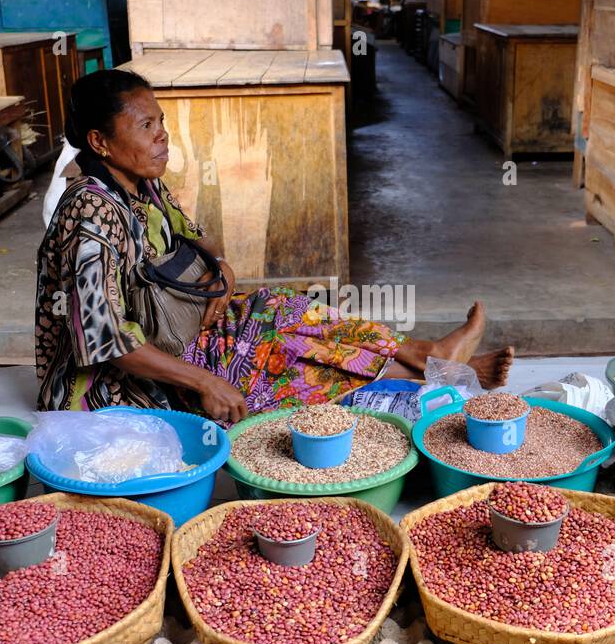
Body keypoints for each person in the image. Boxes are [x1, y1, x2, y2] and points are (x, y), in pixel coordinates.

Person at [35, 68, 513, 424]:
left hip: (176, 334)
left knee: (280, 309)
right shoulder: (90, 212)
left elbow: (199, 235)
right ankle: (436, 374)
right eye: (145, 126)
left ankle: (425, 355)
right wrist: (206, 381)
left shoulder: (143, 184)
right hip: (112, 384)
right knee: (276, 358)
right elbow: (107, 342)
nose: (163, 135)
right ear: (99, 141)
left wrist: (222, 267)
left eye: (160, 121)